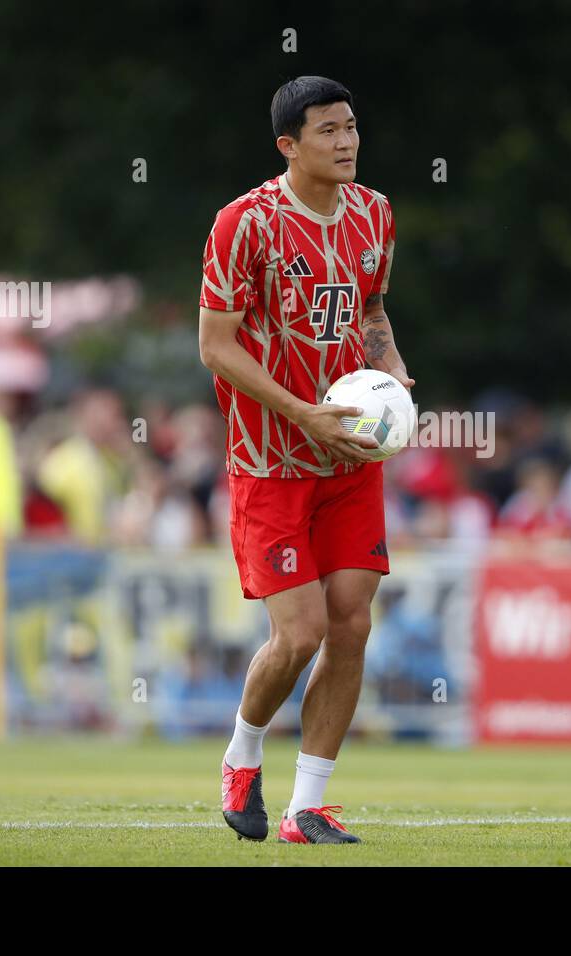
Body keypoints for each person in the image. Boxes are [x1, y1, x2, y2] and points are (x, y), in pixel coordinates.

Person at [198, 76, 411, 844]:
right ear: (289, 145)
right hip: (270, 459)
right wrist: (301, 415)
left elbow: (372, 311)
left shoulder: (377, 214)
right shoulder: (244, 224)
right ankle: (242, 754)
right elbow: (214, 346)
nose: (347, 141)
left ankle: (306, 806)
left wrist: (394, 374)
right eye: (328, 130)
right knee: (299, 634)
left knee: (351, 624)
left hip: (350, 456)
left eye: (352, 127)